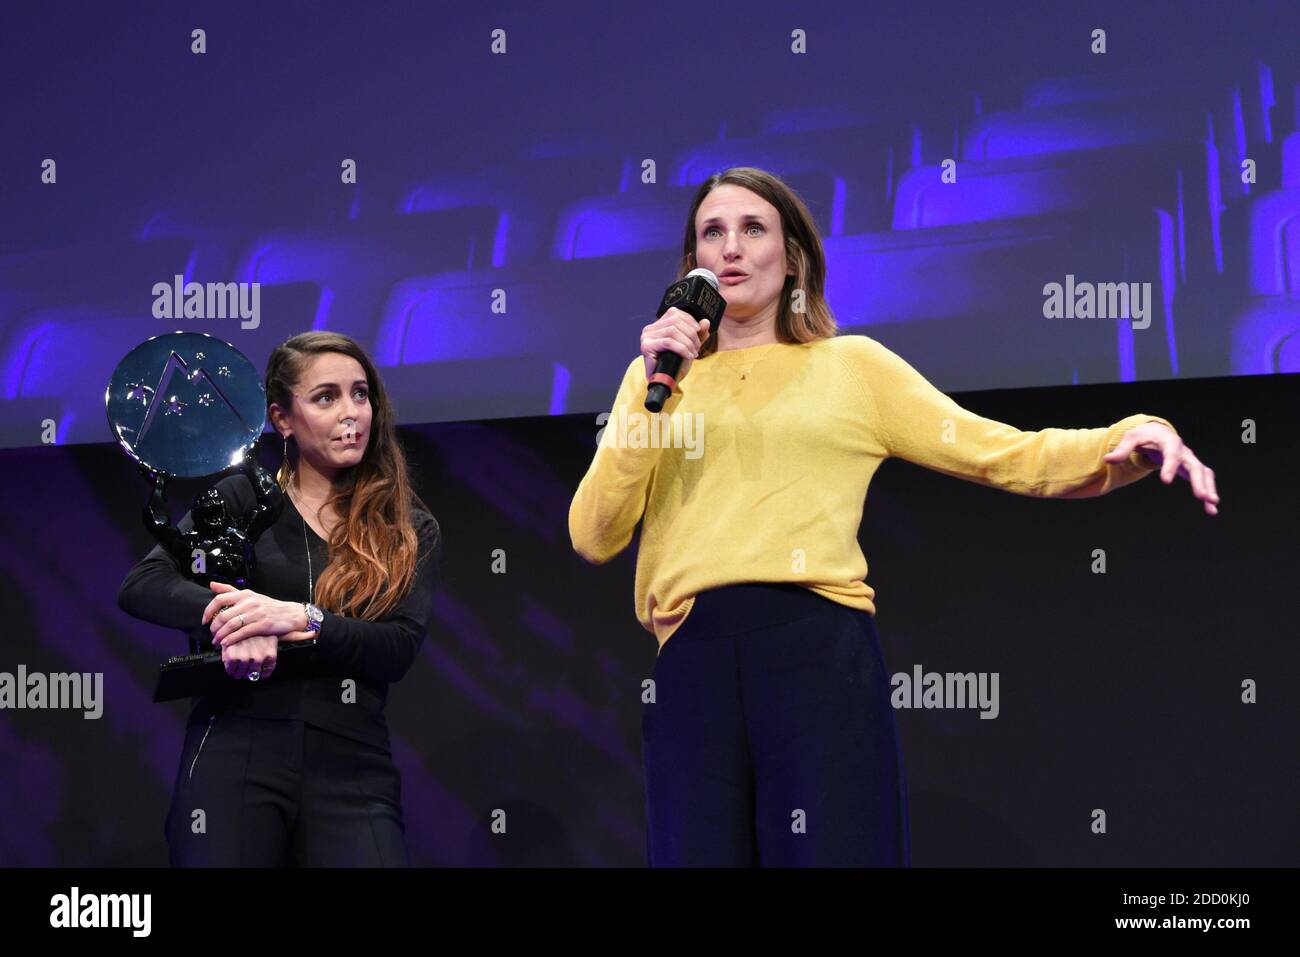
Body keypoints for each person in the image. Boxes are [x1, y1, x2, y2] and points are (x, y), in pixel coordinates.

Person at [568, 166, 1220, 867]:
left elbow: (1000, 451)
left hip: (816, 653)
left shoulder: (851, 368)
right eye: (712, 233)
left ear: (791, 258)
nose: (730, 248)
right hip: (692, 662)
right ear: (692, 262)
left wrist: (1124, 442)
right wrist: (649, 388)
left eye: (752, 228)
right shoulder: (657, 379)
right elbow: (594, 534)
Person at [118, 330, 442, 867]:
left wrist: (304, 619)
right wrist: (235, 616)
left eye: (361, 394)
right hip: (237, 747)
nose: (352, 413)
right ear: (282, 419)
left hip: (352, 763)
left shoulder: (408, 526)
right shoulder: (241, 499)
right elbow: (142, 585)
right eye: (326, 397)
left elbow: (397, 647)